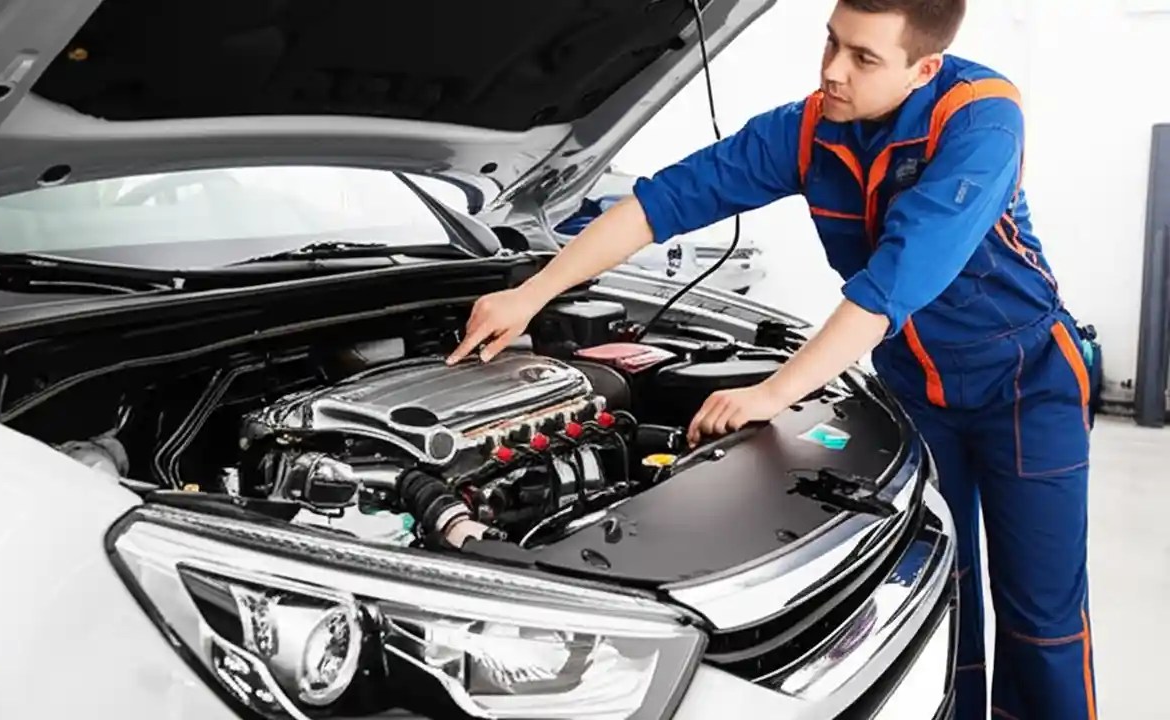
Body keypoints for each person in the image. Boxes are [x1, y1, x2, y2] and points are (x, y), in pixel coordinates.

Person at [446, 0, 1098, 717]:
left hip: (1024, 383)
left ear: (925, 69)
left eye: (864, 58)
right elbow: (662, 203)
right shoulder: (810, 128)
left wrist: (772, 393)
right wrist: (532, 294)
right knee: (951, 589)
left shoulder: (981, 120)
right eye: (832, 42)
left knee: (1041, 615)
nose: (833, 71)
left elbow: (897, 281)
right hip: (914, 382)